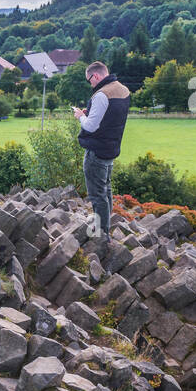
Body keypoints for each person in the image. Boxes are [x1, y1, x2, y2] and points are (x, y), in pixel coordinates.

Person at [72, 61, 130, 257]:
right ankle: (106, 227)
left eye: (89, 81)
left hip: (96, 152)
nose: (90, 85)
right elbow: (110, 118)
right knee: (107, 190)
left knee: (97, 195)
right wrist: (91, 114)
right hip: (111, 149)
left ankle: (102, 234)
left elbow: (90, 127)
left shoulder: (101, 95)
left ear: (95, 76)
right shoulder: (123, 90)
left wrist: (80, 115)